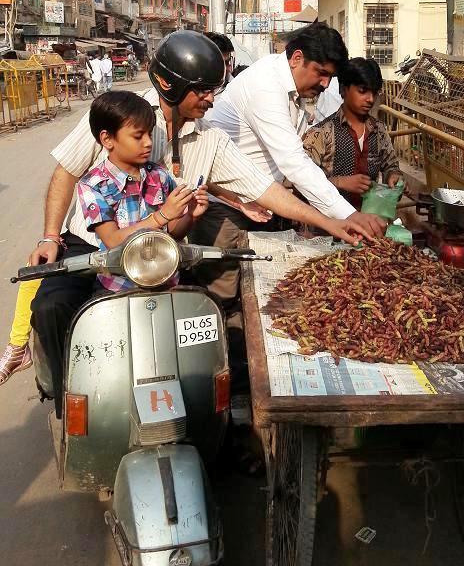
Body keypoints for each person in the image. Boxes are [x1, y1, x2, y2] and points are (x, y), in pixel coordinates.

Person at [26, 30, 370, 414]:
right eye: (203, 90)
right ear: (169, 85)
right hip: (92, 245)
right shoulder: (118, 114)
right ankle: (69, 404)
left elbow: (266, 191)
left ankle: (209, 423)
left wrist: (333, 220)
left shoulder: (210, 140)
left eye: (214, 89)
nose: (211, 99)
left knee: (202, 332)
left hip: (162, 255)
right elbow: (66, 173)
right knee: (51, 308)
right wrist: (49, 237)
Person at [199, 22, 387, 303]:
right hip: (227, 208)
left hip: (265, 201)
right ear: (297, 58)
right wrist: (346, 214)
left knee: (261, 290)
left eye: (330, 77)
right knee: (225, 294)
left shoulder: (296, 91)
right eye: (321, 73)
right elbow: (293, 161)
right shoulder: (265, 84)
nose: (325, 84)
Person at [77, 92, 208, 293]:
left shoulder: (159, 175)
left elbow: (172, 232)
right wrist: (162, 215)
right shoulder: (93, 185)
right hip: (119, 288)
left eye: (149, 134)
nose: (148, 142)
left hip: (166, 281)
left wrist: (190, 215)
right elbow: (112, 240)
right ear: (107, 139)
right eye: (138, 136)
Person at [303, 58, 403, 209]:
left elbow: (391, 166)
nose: (370, 99)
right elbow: (301, 184)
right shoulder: (321, 133)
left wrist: (394, 177)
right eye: (362, 91)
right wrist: (339, 182)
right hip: (328, 225)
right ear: (343, 89)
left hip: (368, 221)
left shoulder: (379, 131)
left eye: (374, 93)